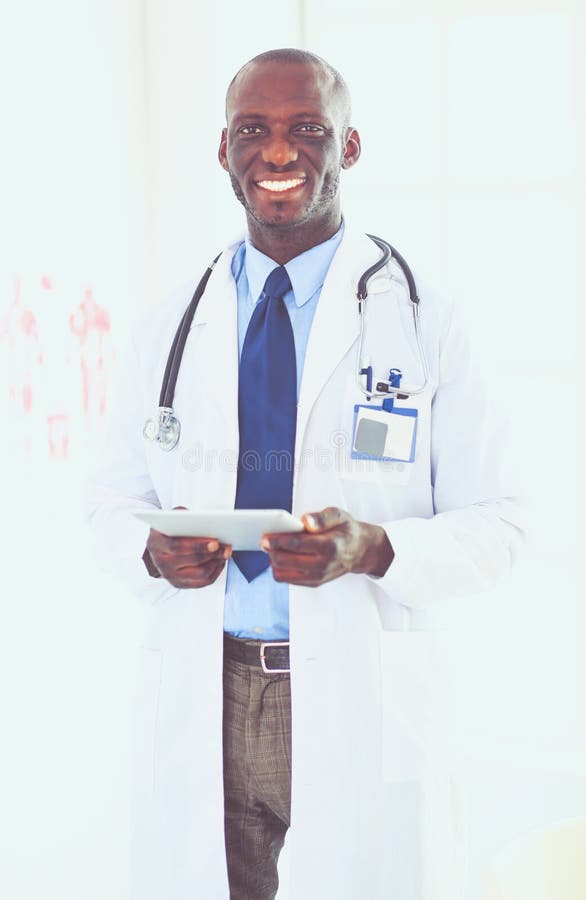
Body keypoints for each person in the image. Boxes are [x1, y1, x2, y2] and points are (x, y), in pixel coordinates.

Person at [87, 48, 524, 900]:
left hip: (357, 687)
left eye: (307, 131)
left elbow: (503, 522)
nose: (278, 154)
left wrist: (374, 549)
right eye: (253, 130)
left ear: (349, 147)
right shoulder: (171, 321)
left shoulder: (429, 320)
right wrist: (151, 554)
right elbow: (109, 500)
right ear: (223, 151)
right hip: (207, 684)